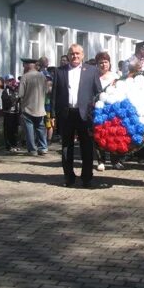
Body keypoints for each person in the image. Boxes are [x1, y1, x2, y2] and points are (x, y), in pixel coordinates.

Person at [51, 43, 102, 188]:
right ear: (68, 55)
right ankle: (69, 177)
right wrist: (53, 115)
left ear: (82, 55)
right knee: (67, 147)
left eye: (77, 53)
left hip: (85, 115)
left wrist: (97, 112)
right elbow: (55, 94)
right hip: (66, 114)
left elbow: (98, 92)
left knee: (86, 147)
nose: (75, 56)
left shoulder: (91, 71)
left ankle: (86, 177)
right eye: (72, 53)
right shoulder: (59, 71)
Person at [19, 58, 48, 157]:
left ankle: (32, 149)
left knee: (29, 129)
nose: (23, 67)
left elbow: (20, 93)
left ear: (28, 65)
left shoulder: (25, 77)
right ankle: (43, 147)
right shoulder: (42, 76)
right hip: (40, 107)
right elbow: (47, 90)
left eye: (24, 64)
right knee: (40, 128)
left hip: (28, 107)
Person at [1, 74, 20, 153]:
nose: (11, 82)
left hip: (16, 112)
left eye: (12, 80)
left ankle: (14, 144)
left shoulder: (15, 90)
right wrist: (14, 99)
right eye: (9, 81)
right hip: (8, 113)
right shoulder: (6, 91)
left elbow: (19, 98)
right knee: (8, 130)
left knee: (15, 129)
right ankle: (8, 146)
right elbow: (8, 101)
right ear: (6, 82)